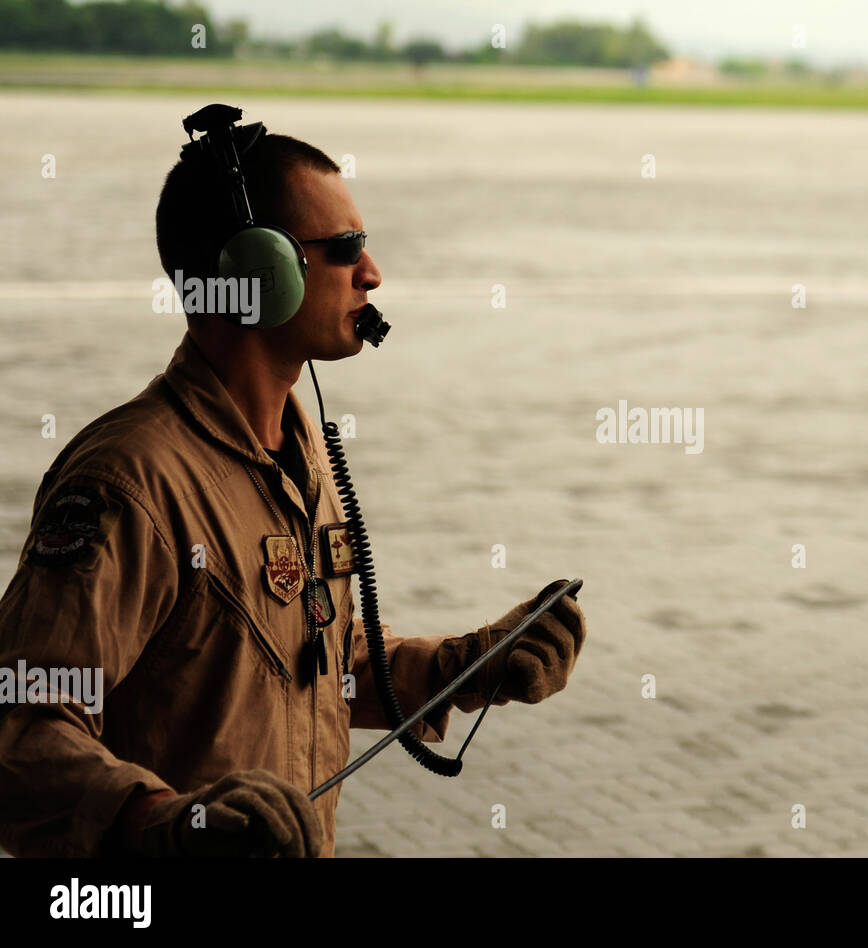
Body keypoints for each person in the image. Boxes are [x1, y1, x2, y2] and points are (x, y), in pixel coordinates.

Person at [0, 116, 585, 858]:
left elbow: (324, 671)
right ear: (261, 269)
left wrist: (468, 666)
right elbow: (19, 728)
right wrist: (167, 822)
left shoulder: (297, 452)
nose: (371, 273)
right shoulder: (132, 482)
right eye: (343, 250)